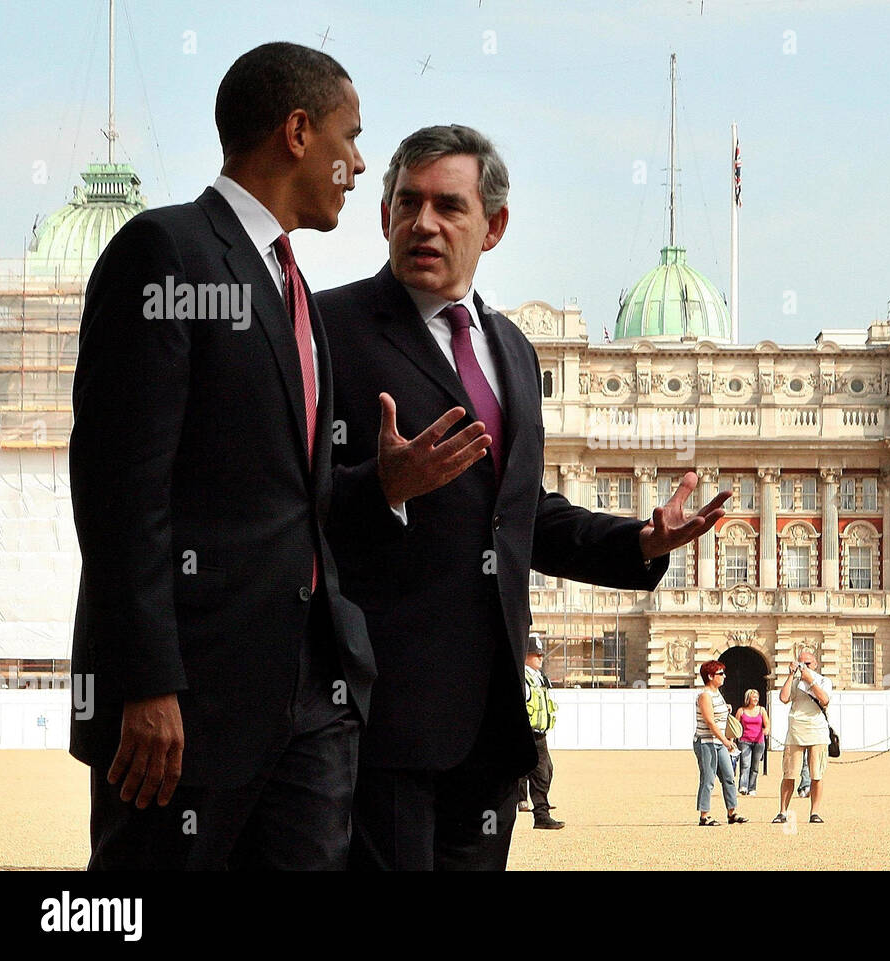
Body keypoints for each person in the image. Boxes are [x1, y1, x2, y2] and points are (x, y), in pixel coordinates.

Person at [317, 125, 730, 869]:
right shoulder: (326, 327)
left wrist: (639, 541)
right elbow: (283, 501)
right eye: (407, 203)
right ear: (383, 216)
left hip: (491, 725)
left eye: (449, 205)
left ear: (494, 226)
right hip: (375, 718)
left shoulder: (510, 348)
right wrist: (382, 487)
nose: (424, 223)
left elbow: (517, 515)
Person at [68, 42, 384, 869]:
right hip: (183, 709)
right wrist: (145, 681)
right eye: (350, 136)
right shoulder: (164, 251)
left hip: (308, 704)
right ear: (297, 130)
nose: (358, 162)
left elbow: (285, 500)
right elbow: (118, 486)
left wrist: (387, 480)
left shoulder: (295, 289)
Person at [772, 649, 832, 825]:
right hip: (796, 731)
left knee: (816, 774)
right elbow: (783, 698)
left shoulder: (823, 681)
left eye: (808, 664)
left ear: (815, 664)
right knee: (789, 774)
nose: (804, 667)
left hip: (817, 730)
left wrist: (810, 681)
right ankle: (783, 811)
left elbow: (825, 700)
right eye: (801, 664)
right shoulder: (795, 681)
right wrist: (791, 675)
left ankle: (815, 812)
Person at [517, 636, 562, 829]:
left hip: (539, 733)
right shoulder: (524, 678)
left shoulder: (538, 677)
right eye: (536, 654)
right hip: (528, 732)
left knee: (545, 771)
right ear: (526, 656)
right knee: (536, 772)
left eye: (541, 654)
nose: (541, 657)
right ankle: (540, 814)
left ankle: (537, 809)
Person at [693, 661, 745, 826]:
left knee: (729, 777)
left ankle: (732, 812)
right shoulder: (705, 695)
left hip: (720, 742)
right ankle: (704, 815)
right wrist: (725, 741)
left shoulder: (717, 693)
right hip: (706, 742)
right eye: (720, 673)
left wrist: (727, 738)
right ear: (710, 676)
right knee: (708, 779)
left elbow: (721, 719)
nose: (724, 676)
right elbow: (710, 722)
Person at [735, 689, 769, 796]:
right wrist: (733, 739)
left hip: (759, 741)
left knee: (755, 766)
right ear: (748, 698)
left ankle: (752, 787)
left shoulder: (762, 710)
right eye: (753, 697)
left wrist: (766, 730)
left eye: (757, 697)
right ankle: (743, 786)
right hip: (745, 741)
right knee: (745, 764)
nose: (755, 699)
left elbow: (767, 724)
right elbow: (735, 726)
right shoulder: (741, 711)